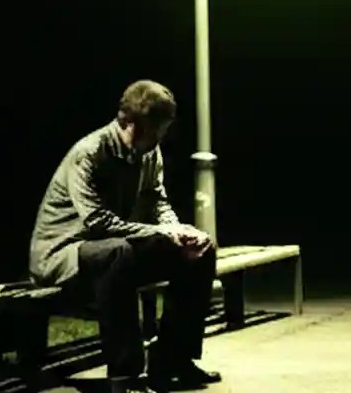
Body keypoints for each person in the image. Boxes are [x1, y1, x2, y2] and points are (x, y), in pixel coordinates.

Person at [28, 80, 222, 392]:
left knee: (200, 249)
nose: (154, 139)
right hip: (63, 253)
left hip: (114, 248)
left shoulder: (149, 152)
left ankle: (173, 358)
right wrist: (161, 232)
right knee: (118, 254)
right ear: (125, 121)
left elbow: (157, 200)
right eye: (148, 130)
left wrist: (178, 231)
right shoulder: (89, 153)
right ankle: (124, 373)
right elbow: (98, 222)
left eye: (160, 132)